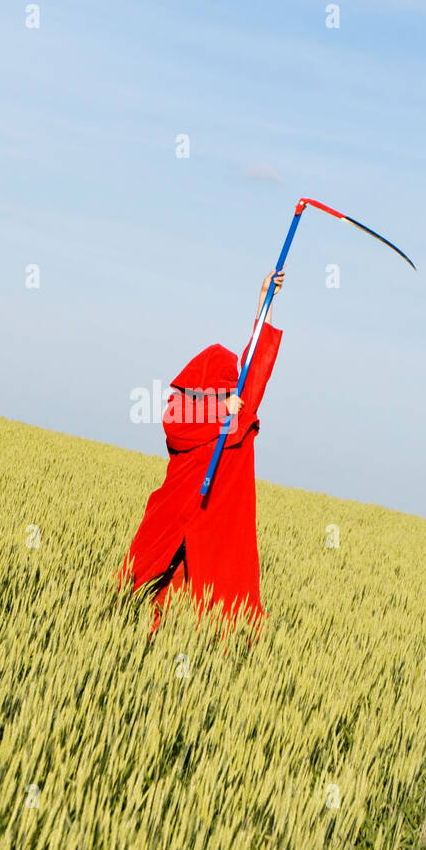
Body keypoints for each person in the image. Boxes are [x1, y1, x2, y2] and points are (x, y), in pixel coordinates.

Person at [119, 269, 285, 629]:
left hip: (217, 534)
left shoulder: (236, 417)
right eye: (222, 391)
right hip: (170, 524)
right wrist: (220, 410)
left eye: (230, 392)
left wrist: (265, 302)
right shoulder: (188, 417)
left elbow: (257, 365)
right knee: (140, 598)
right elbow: (177, 421)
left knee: (217, 616)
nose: (231, 397)